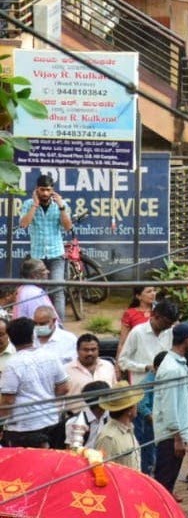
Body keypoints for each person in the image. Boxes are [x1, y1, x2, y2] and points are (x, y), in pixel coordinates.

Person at [0, 317, 69, 447]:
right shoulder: (51, 356)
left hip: (23, 429)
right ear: (33, 335)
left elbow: (8, 401)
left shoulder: (12, 365)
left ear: (9, 337)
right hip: (52, 421)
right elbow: (64, 388)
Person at [18, 174, 72, 321]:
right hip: (37, 256)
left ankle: (59, 326)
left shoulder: (61, 204)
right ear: (37, 189)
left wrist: (61, 207)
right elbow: (23, 224)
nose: (45, 193)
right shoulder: (29, 204)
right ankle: (38, 324)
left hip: (56, 254)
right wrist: (35, 205)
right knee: (37, 291)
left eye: (48, 190)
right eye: (42, 190)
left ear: (52, 190)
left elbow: (68, 227)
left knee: (58, 289)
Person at [154, 322, 188, 491]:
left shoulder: (177, 363)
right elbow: (169, 406)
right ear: (187, 340)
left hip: (175, 433)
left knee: (168, 482)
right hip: (170, 437)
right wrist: (178, 438)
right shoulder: (171, 368)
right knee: (164, 483)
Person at [96, 381, 144, 470]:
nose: (137, 406)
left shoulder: (129, 429)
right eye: (135, 404)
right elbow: (102, 470)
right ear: (129, 410)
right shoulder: (108, 438)